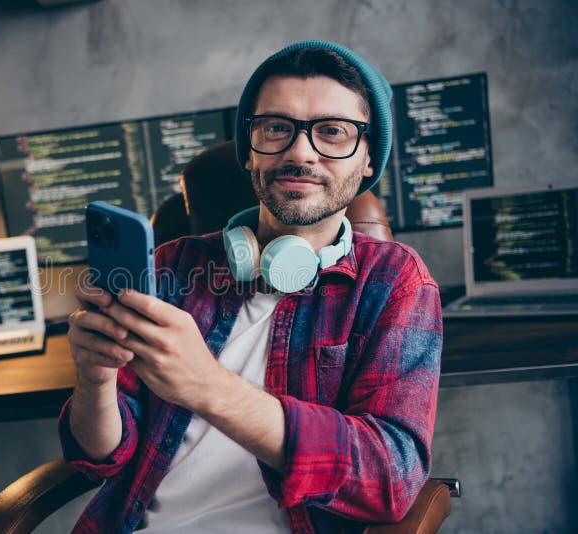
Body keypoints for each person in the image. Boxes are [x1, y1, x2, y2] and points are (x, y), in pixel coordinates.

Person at [59, 40, 442, 533]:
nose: (300, 151)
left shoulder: (396, 282)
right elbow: (103, 456)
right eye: (277, 128)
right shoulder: (174, 266)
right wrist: (95, 381)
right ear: (249, 150)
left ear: (367, 160)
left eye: (333, 132)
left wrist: (209, 388)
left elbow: (390, 477)